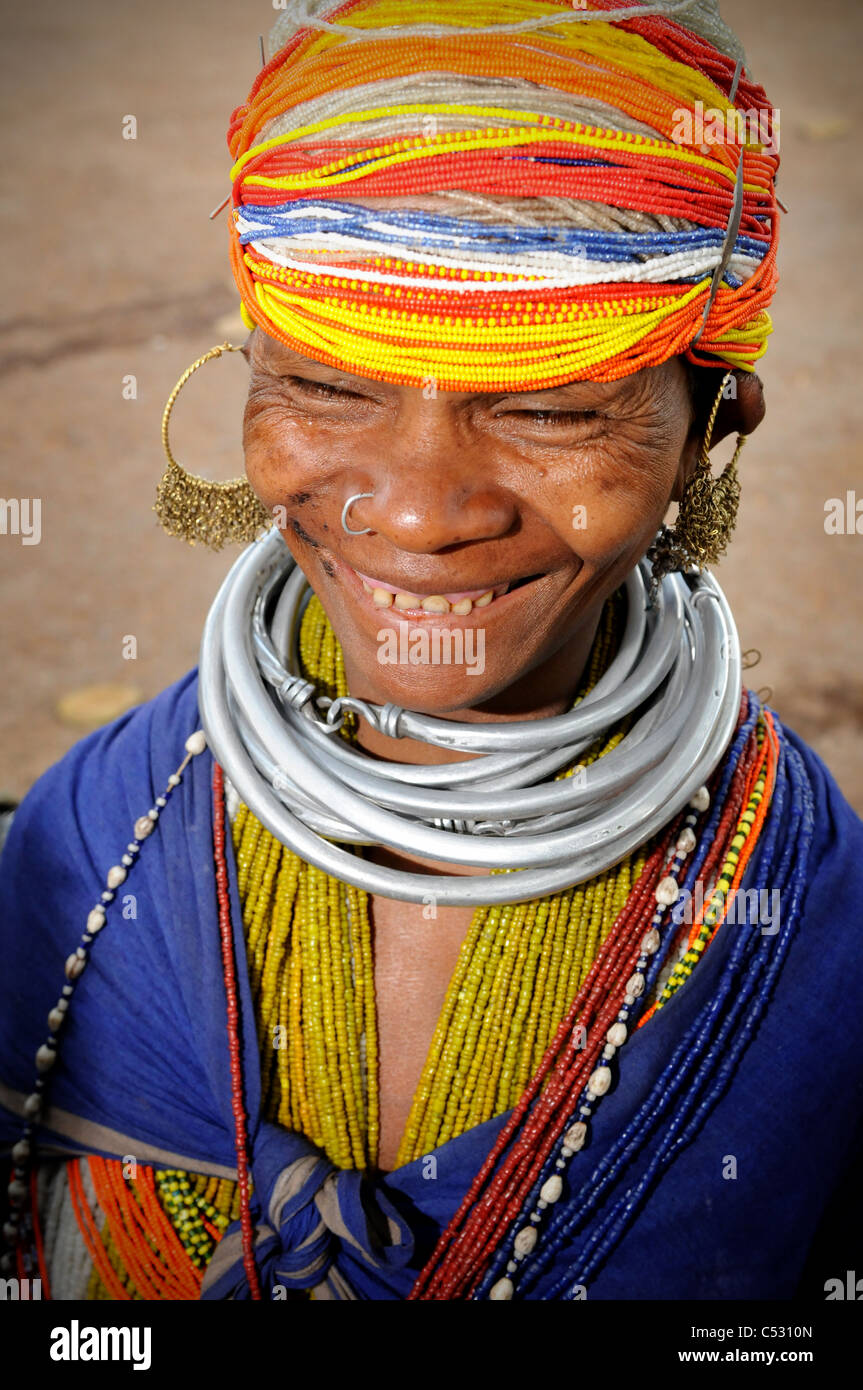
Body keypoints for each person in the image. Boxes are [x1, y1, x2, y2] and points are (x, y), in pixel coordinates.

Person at [2, 0, 861, 1302]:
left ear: (710, 429)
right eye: (329, 383)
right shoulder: (90, 848)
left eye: (550, 406)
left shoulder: (807, 934)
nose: (413, 509)